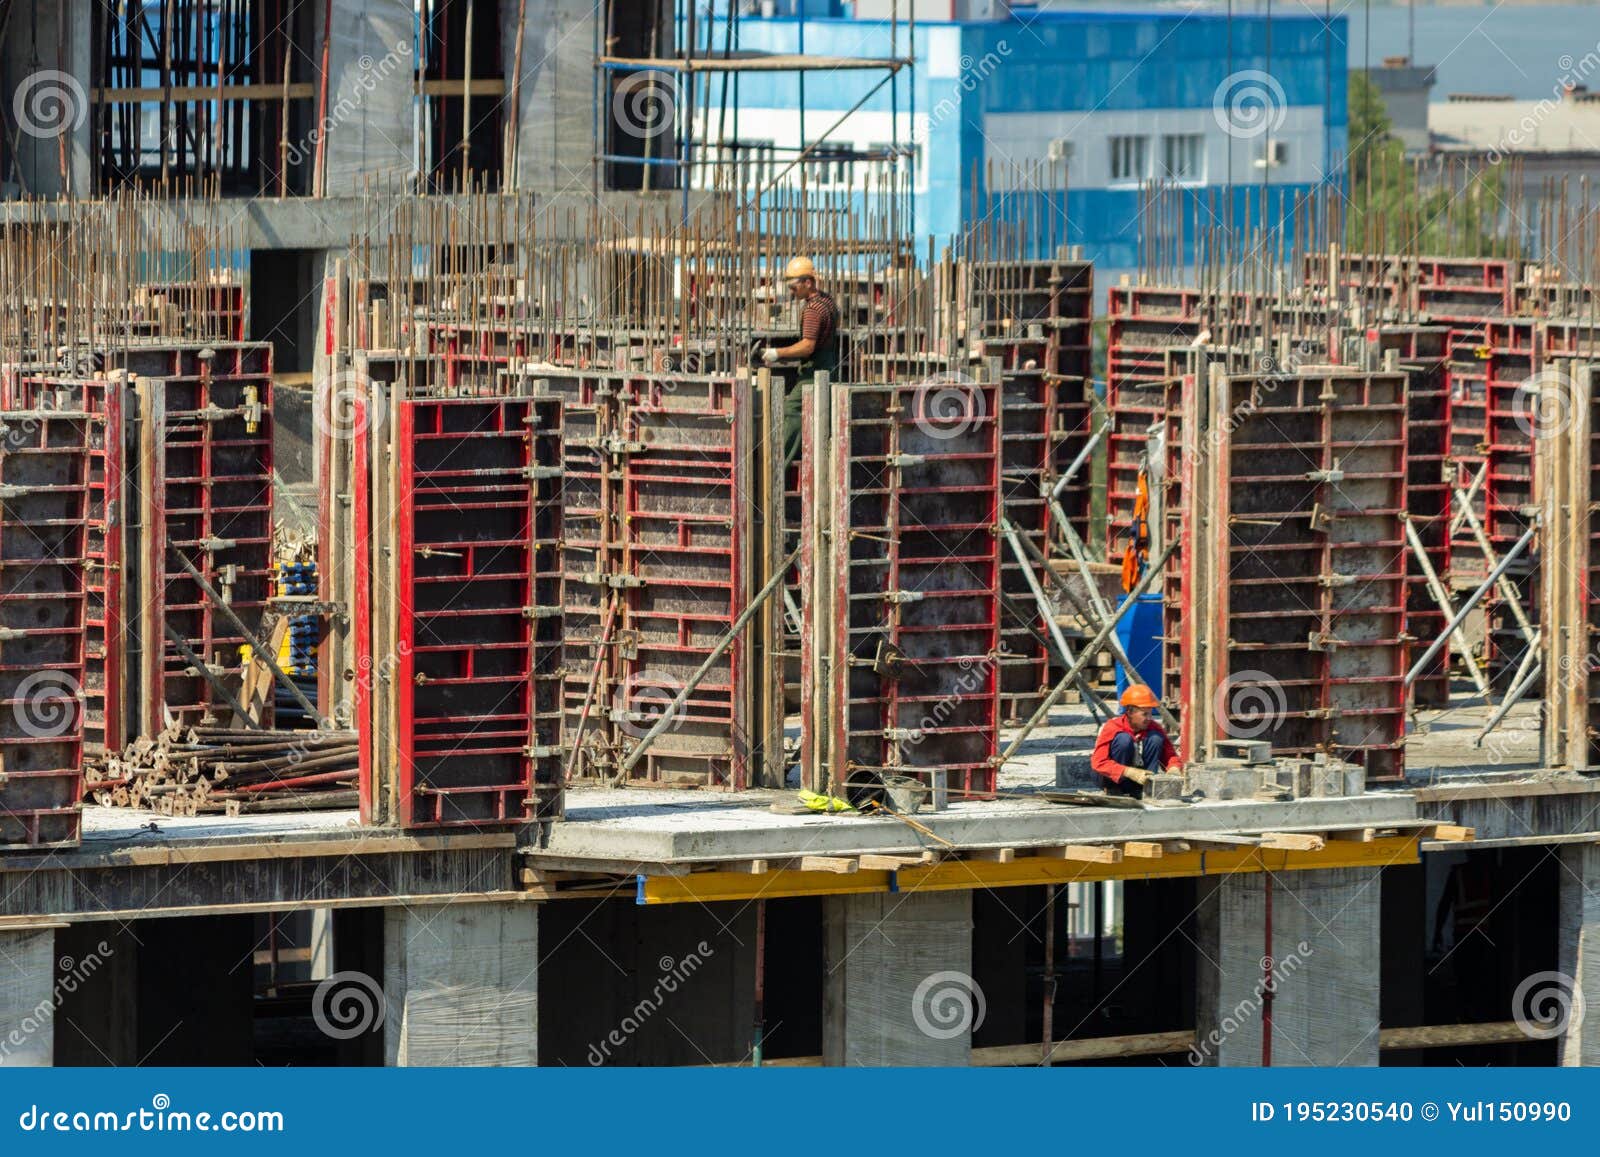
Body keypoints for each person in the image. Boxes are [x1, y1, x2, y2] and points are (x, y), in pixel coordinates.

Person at [756, 256, 840, 466]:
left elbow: (807, 346)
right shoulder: (827, 301)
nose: (792, 292)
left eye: (794, 287)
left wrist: (777, 353)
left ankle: (778, 465)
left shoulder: (813, 310)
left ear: (808, 283)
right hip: (829, 370)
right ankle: (808, 454)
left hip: (814, 374)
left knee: (791, 410)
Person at [1090, 684, 1181, 798]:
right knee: (1124, 740)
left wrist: (1173, 767)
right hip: (1110, 778)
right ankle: (1114, 789)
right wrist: (1127, 771)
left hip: (1137, 780)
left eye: (1150, 713)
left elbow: (1170, 755)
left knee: (1155, 738)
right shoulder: (1112, 727)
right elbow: (1098, 763)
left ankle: (1145, 787)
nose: (1149, 718)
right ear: (1130, 712)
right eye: (1144, 714)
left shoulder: (1154, 727)